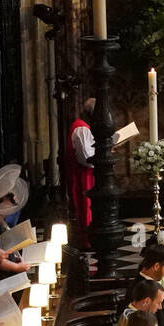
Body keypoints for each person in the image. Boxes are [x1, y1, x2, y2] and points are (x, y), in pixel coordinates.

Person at [64, 97, 96, 249]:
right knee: (85, 207)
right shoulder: (82, 128)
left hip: (86, 174)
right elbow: (86, 157)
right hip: (83, 176)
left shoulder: (83, 127)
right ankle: (86, 241)